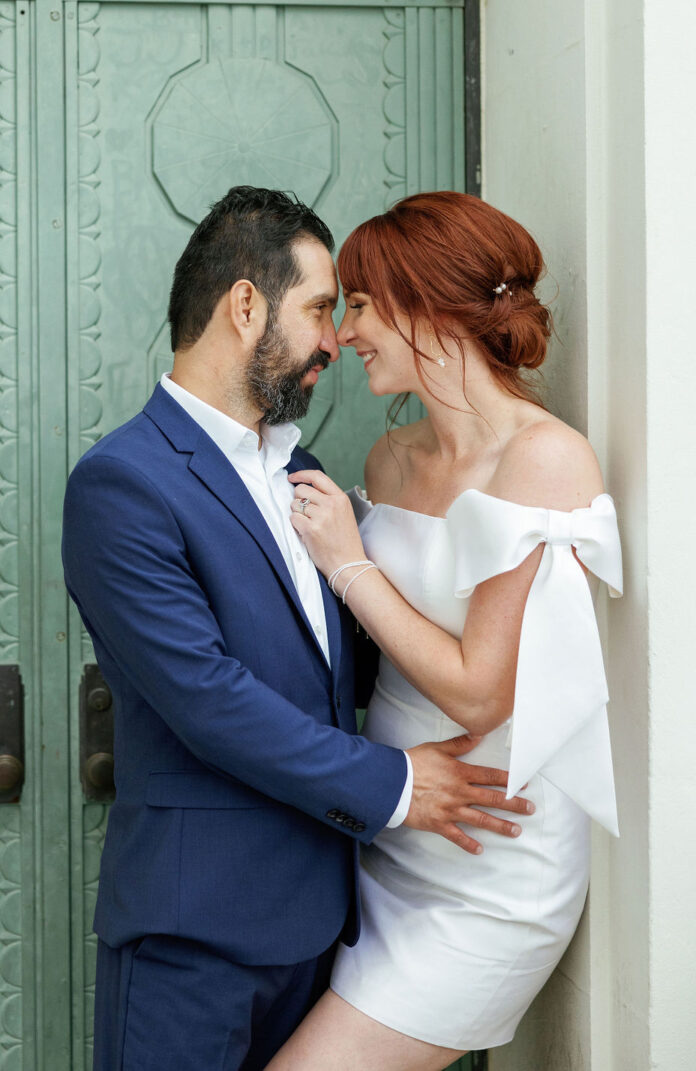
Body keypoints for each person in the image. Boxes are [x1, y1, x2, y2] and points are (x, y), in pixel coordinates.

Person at [60, 186, 533, 1071]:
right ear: (246, 306)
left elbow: (346, 669)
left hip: (327, 931)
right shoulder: (122, 483)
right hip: (191, 938)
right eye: (319, 308)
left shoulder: (303, 475)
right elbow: (208, 698)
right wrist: (400, 785)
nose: (334, 341)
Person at [266, 191, 622, 1071]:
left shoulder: (545, 459)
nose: (344, 334)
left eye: (360, 304)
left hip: (490, 863)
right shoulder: (390, 460)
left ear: (426, 300)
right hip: (387, 836)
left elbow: (478, 690)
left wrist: (349, 564)